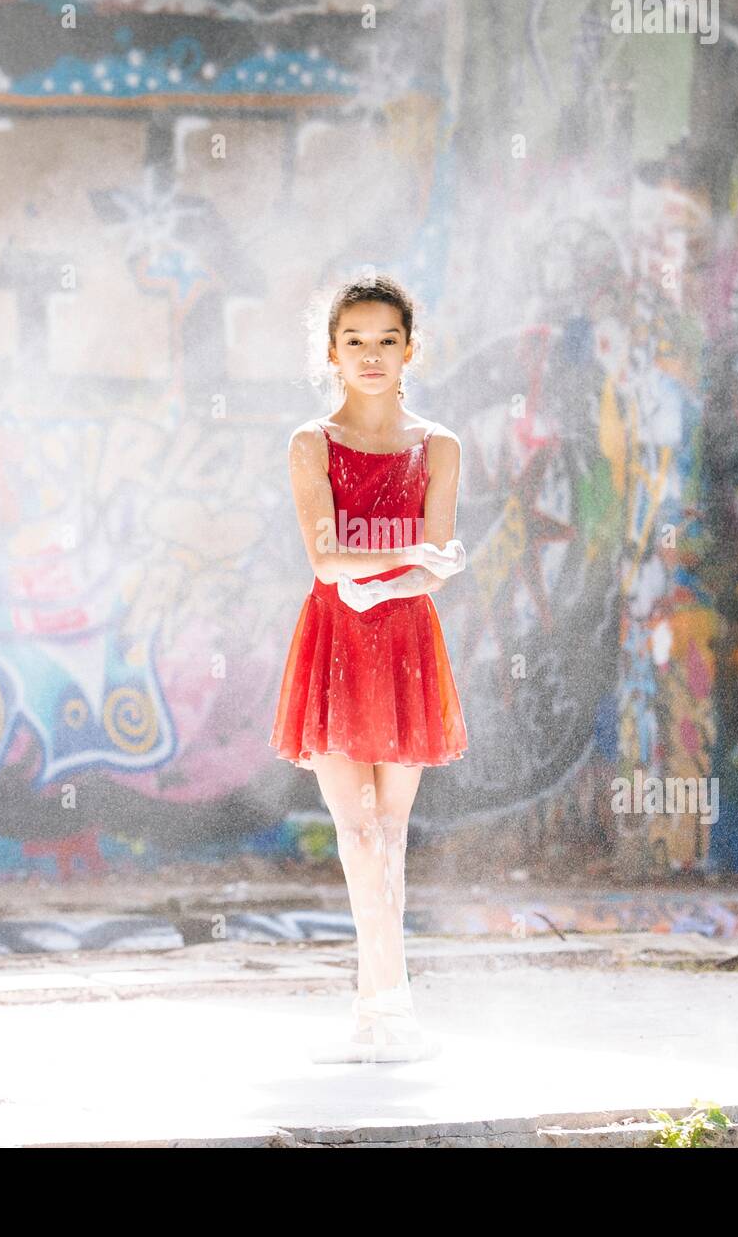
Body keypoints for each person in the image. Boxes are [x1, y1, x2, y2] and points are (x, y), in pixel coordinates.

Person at [269, 274, 468, 1063]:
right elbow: (325, 559)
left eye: (388, 339)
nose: (372, 354)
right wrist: (411, 555)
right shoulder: (310, 443)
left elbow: (439, 560)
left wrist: (408, 563)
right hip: (334, 644)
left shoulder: (440, 445)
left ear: (410, 349)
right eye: (355, 341)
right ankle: (386, 1004)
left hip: (407, 647)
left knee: (390, 829)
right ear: (331, 354)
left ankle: (382, 1009)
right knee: (353, 828)